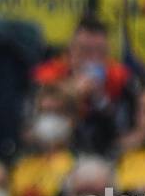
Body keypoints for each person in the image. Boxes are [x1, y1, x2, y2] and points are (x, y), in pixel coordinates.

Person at [31, 15, 133, 154]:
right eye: (85, 51)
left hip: (102, 150)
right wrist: (72, 92)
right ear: (70, 50)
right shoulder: (50, 72)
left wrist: (101, 99)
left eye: (100, 52)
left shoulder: (118, 77)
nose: (93, 59)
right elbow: (37, 109)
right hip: (55, 148)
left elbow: (124, 126)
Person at [9, 83, 78, 196]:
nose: (49, 119)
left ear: (72, 119)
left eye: (56, 112)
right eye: (44, 112)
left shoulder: (81, 162)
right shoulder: (20, 163)